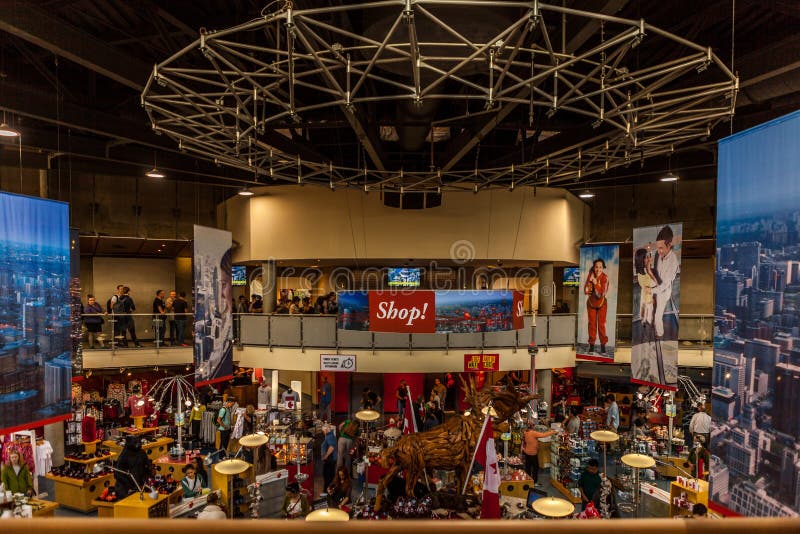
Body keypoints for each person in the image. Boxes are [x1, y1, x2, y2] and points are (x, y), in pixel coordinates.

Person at [649, 225, 680, 383]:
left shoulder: (673, 261)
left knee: (657, 315)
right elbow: (656, 273)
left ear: (669, 245)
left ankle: (659, 339)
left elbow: (665, 284)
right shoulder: (657, 255)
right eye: (658, 247)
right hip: (656, 287)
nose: (659, 250)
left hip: (664, 291)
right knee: (650, 309)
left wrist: (652, 290)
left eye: (661, 247)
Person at [584, 258, 610, 354]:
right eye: (596, 267)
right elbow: (586, 291)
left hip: (602, 303)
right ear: (593, 268)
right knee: (592, 325)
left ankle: (603, 345)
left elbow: (601, 294)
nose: (598, 269)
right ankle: (592, 345)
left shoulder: (605, 278)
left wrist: (595, 283)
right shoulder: (590, 276)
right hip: (591, 303)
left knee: (601, 325)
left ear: (603, 268)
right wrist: (590, 283)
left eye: (600, 267)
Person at [521, 422, 557, 486]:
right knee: (535, 468)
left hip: (527, 452)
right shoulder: (533, 433)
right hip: (533, 453)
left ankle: (528, 481)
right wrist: (553, 432)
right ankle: (534, 482)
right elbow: (543, 435)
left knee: (528, 467)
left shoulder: (526, 433)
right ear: (532, 427)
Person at [635, 248, 657, 326]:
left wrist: (648, 266)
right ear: (642, 260)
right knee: (649, 309)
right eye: (646, 257)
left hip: (643, 293)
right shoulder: (646, 272)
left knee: (643, 308)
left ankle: (643, 320)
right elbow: (656, 283)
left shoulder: (639, 271)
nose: (648, 258)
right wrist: (649, 270)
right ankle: (648, 321)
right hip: (648, 294)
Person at [321, 424, 338, 491]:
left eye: (323, 431)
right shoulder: (328, 436)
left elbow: (331, 447)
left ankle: (328, 490)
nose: (323, 432)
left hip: (330, 459)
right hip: (330, 459)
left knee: (328, 475)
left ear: (326, 430)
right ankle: (328, 489)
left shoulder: (330, 436)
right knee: (328, 475)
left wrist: (325, 456)